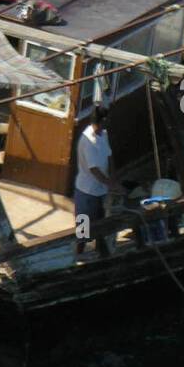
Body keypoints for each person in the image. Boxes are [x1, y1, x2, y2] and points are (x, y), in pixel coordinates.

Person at [74, 105, 117, 259]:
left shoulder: (103, 134)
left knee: (101, 227)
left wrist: (113, 176)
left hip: (101, 191)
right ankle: (78, 257)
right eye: (108, 120)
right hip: (87, 192)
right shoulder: (88, 141)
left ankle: (102, 255)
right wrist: (110, 184)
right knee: (83, 230)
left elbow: (109, 156)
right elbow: (94, 170)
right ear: (102, 121)